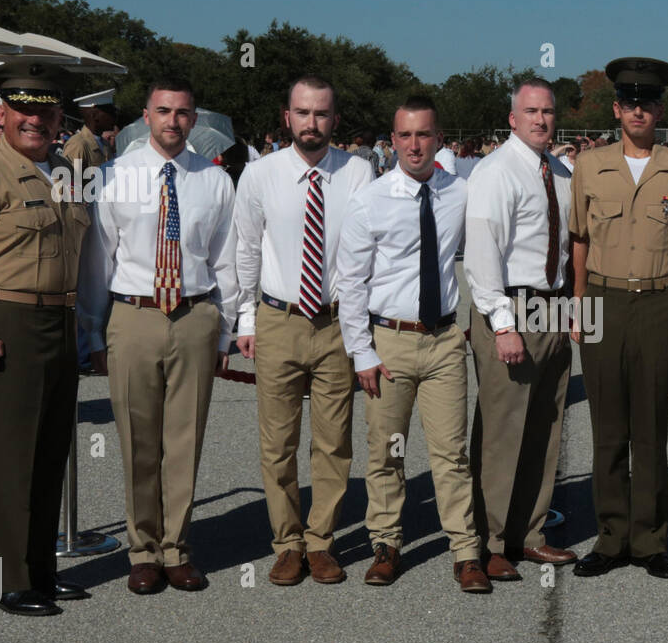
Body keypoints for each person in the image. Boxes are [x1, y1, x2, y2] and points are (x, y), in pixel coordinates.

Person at [0, 63, 92, 615]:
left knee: (49, 453)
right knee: (7, 458)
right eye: (23, 110)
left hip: (62, 322)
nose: (35, 120)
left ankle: (39, 573)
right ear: (0, 115)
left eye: (46, 111)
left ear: (58, 118)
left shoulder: (64, 174)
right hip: (11, 321)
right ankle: (1, 581)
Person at [79, 77, 238, 596]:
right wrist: (94, 335)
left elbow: (225, 262)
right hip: (134, 315)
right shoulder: (113, 176)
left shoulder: (214, 181)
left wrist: (224, 331)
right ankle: (142, 551)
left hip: (194, 315)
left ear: (194, 120)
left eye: (183, 113)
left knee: (184, 440)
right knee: (137, 440)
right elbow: (98, 261)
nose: (173, 120)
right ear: (145, 116)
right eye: (164, 110)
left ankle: (177, 549)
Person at [336, 95, 491, 594]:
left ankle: (466, 551)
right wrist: (361, 352)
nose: (414, 144)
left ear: (439, 139)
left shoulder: (461, 193)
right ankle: (386, 543)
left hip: (444, 339)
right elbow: (352, 284)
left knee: (452, 454)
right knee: (386, 452)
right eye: (404, 135)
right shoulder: (371, 200)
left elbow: (491, 246)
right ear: (392, 140)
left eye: (424, 134)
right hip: (390, 343)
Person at [568, 57, 668, 580]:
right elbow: (578, 241)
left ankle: (649, 540)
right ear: (616, 109)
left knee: (651, 427)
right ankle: (609, 536)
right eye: (629, 103)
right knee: (607, 428)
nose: (638, 111)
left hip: (656, 305)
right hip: (603, 302)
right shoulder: (590, 165)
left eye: (647, 103)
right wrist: (578, 305)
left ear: (659, 109)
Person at [233, 76, 373, 585]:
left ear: (335, 119)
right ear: (285, 117)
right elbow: (246, 250)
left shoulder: (359, 172)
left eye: (321, 113)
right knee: (278, 442)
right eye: (302, 112)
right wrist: (245, 319)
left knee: (334, 442)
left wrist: (362, 333)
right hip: (277, 320)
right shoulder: (260, 175)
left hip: (336, 322)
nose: (311, 122)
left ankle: (321, 541)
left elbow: (366, 255)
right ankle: (287, 542)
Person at [464, 78, 577, 581]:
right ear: (512, 118)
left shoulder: (561, 171)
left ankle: (528, 533)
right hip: (511, 307)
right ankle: (487, 541)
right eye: (530, 111)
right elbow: (483, 252)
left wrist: (573, 309)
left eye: (548, 111)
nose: (541, 119)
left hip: (552, 308)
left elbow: (569, 249)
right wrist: (503, 325)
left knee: (545, 429)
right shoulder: (495, 172)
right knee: (501, 431)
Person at [63, 89, 118, 374]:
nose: (114, 115)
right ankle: (84, 354)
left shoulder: (99, 144)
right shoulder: (79, 145)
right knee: (86, 288)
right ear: (94, 113)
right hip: (85, 225)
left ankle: (95, 348)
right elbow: (69, 191)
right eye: (109, 110)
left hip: (99, 224)